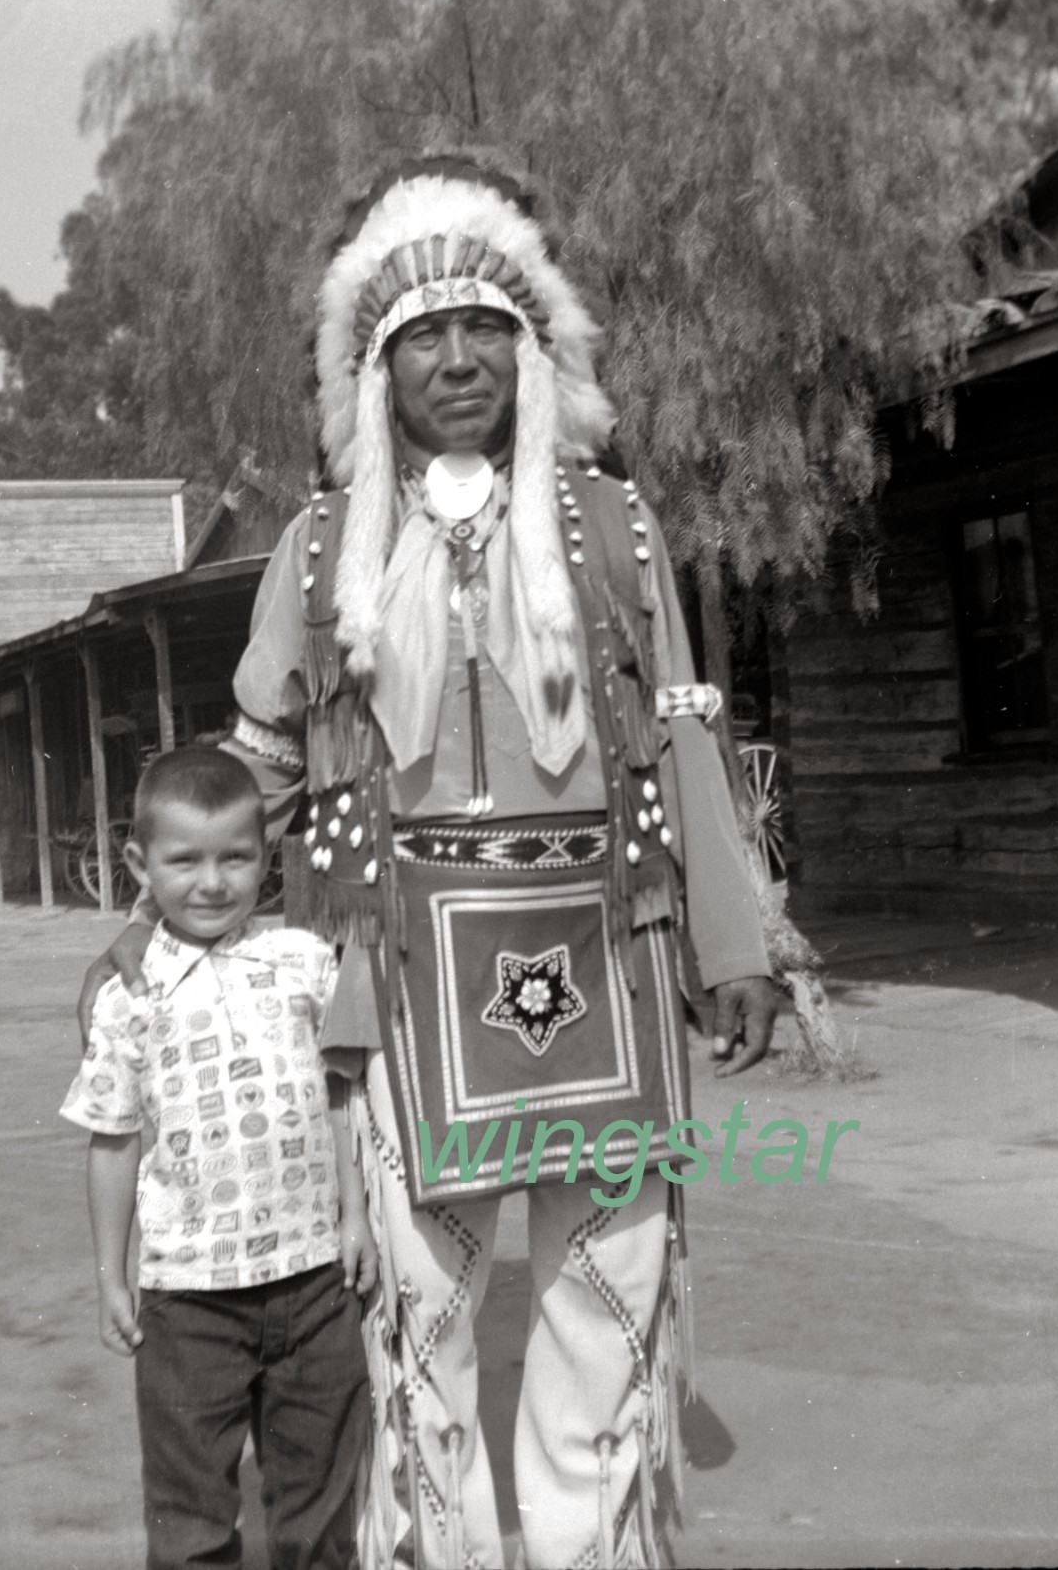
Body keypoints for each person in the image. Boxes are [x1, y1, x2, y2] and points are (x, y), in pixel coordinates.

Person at [81, 157, 777, 1568]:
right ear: (376, 373)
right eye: (422, 339)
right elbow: (254, 766)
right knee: (421, 1327)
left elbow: (685, 735)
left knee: (603, 1307)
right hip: (400, 974)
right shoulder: (323, 543)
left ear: (533, 355)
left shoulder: (616, 525)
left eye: (485, 331)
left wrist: (734, 943)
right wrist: (163, 934)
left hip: (609, 956)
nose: (457, 359)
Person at [61, 745, 375, 1569]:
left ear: (266, 858)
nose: (212, 882)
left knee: (321, 1509)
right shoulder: (126, 992)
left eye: (235, 857)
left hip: (313, 1285)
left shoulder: (303, 962)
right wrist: (109, 1275)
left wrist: (354, 1215)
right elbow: (113, 1138)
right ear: (139, 863)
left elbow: (342, 1092)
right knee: (191, 1516)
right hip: (188, 1302)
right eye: (185, 860)